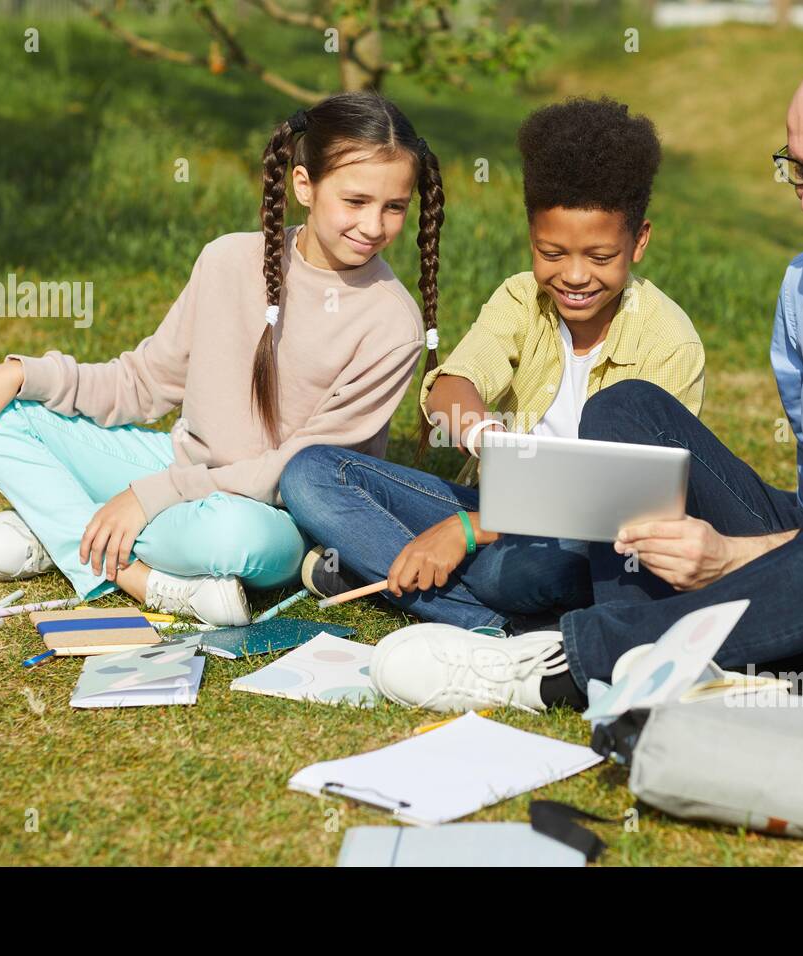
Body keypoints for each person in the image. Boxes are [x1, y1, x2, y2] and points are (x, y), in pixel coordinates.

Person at [368, 46, 803, 717]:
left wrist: (731, 556)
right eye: (796, 169)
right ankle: (662, 647)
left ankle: (575, 663)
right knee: (627, 410)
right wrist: (759, 548)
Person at [0, 92, 442, 625]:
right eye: (356, 201)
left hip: (277, 516)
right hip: (181, 470)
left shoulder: (393, 324)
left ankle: (62, 525)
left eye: (394, 207)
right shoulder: (227, 259)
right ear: (304, 184)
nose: (374, 225)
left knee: (231, 538)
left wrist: (152, 495)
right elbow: (142, 382)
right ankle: (132, 572)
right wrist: (27, 374)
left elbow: (297, 470)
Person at [281, 96, 705, 631]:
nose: (574, 276)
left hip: (597, 535)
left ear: (638, 241)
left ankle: (419, 580)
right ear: (531, 236)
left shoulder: (669, 341)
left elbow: (636, 502)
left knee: (515, 573)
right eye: (551, 253)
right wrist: (481, 434)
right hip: (493, 515)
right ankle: (492, 620)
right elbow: (450, 387)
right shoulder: (521, 298)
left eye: (600, 258)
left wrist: (467, 529)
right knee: (313, 474)